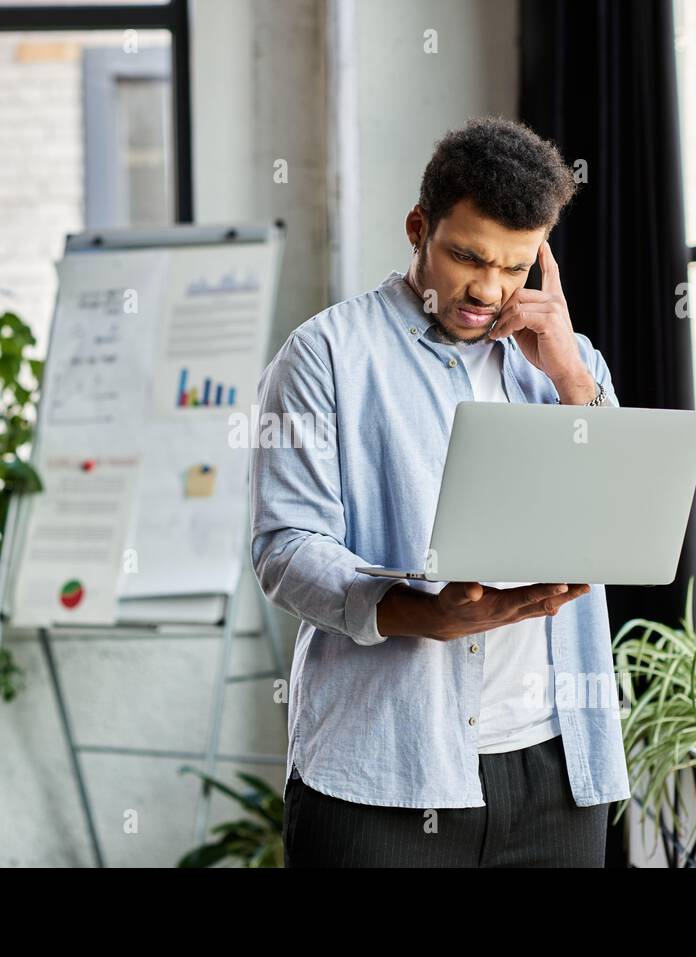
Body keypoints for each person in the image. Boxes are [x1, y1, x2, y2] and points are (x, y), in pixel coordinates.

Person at [249, 116, 630, 867]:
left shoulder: (568, 362)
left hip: (555, 769)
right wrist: (422, 612)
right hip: (383, 774)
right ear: (418, 227)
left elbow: (622, 518)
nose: (489, 290)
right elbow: (286, 549)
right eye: (467, 256)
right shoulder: (326, 355)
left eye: (516, 268)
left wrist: (571, 379)